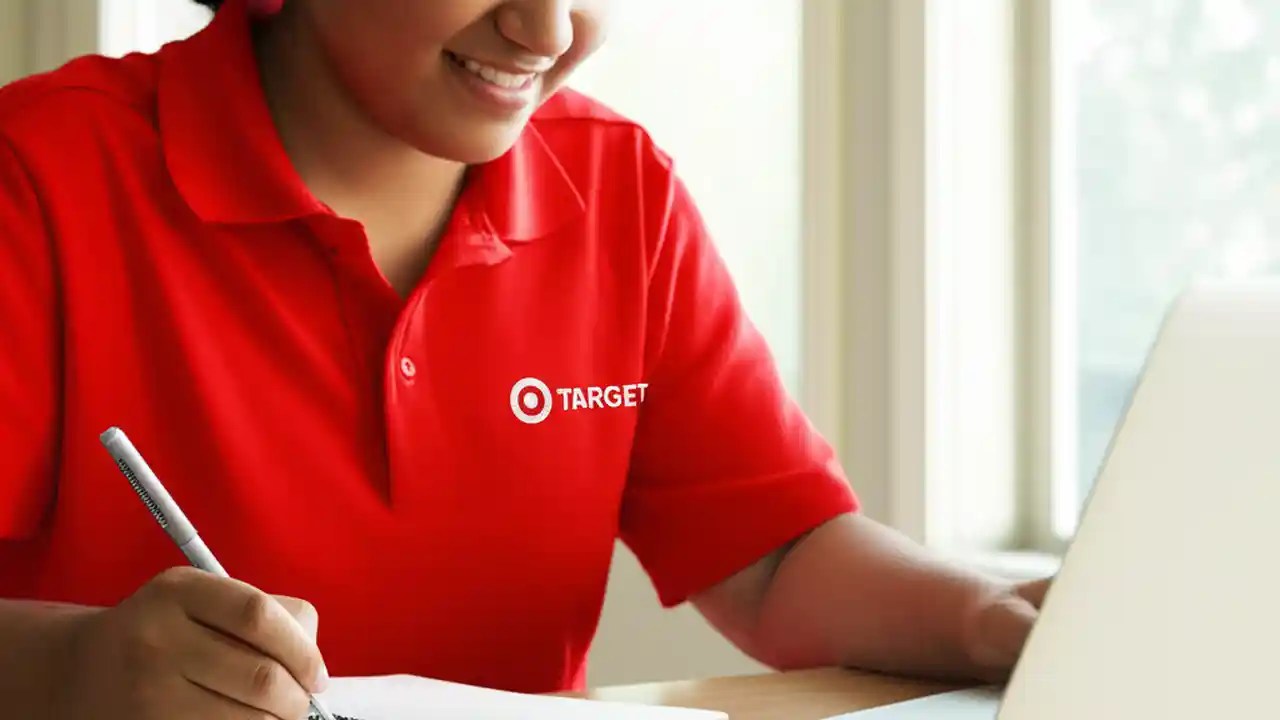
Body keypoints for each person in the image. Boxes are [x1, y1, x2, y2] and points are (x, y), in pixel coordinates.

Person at [0, 0, 1050, 718]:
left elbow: (771, 558)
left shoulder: (618, 186)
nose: (546, 29)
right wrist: (71, 672)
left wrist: (984, 619)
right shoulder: (41, 180)